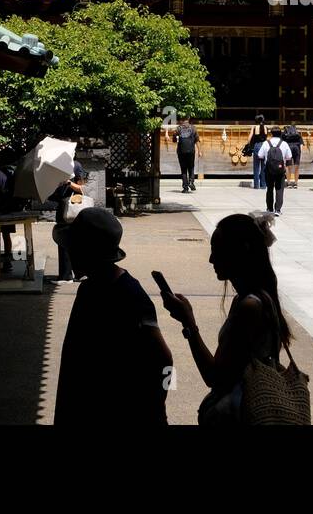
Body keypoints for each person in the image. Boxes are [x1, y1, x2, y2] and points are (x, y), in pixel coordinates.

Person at [158, 213, 290, 425]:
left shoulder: (248, 306)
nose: (211, 259)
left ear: (241, 251)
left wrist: (189, 324)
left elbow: (214, 376)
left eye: (218, 250)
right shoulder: (254, 299)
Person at [55, 208, 172, 426]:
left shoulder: (131, 296)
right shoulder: (88, 290)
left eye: (74, 248)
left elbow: (165, 362)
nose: (69, 254)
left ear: (87, 252)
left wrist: (157, 407)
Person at [50, 164, 86, 281]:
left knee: (73, 240)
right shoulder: (58, 167)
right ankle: (66, 274)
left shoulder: (76, 166)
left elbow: (81, 188)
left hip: (72, 208)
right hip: (62, 207)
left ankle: (74, 274)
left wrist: (68, 182)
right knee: (62, 239)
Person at [257, 129, 291, 216]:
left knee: (269, 189)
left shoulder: (266, 143)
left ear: (271, 134)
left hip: (268, 169)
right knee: (279, 189)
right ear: (280, 134)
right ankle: (278, 210)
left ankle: (269, 208)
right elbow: (289, 157)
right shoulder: (284, 143)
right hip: (280, 170)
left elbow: (260, 155)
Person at [176, 117, 200, 194]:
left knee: (183, 170)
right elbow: (197, 140)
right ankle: (191, 182)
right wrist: (200, 151)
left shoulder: (178, 129)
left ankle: (185, 187)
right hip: (191, 151)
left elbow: (174, 140)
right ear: (188, 119)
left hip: (181, 152)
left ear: (181, 120)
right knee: (191, 167)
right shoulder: (193, 128)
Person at [246, 116, 268, 190]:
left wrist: (249, 144)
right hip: (264, 145)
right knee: (263, 166)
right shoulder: (265, 127)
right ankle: (263, 185)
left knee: (256, 166)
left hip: (257, 145)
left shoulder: (254, 127)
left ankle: (256, 185)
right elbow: (266, 137)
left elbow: (249, 139)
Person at [282, 124, 304, 189]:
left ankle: (288, 183)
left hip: (288, 148)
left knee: (288, 166)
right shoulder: (297, 133)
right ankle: (295, 183)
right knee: (297, 166)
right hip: (297, 148)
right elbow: (301, 145)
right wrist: (300, 153)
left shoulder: (284, 134)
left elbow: (282, 143)